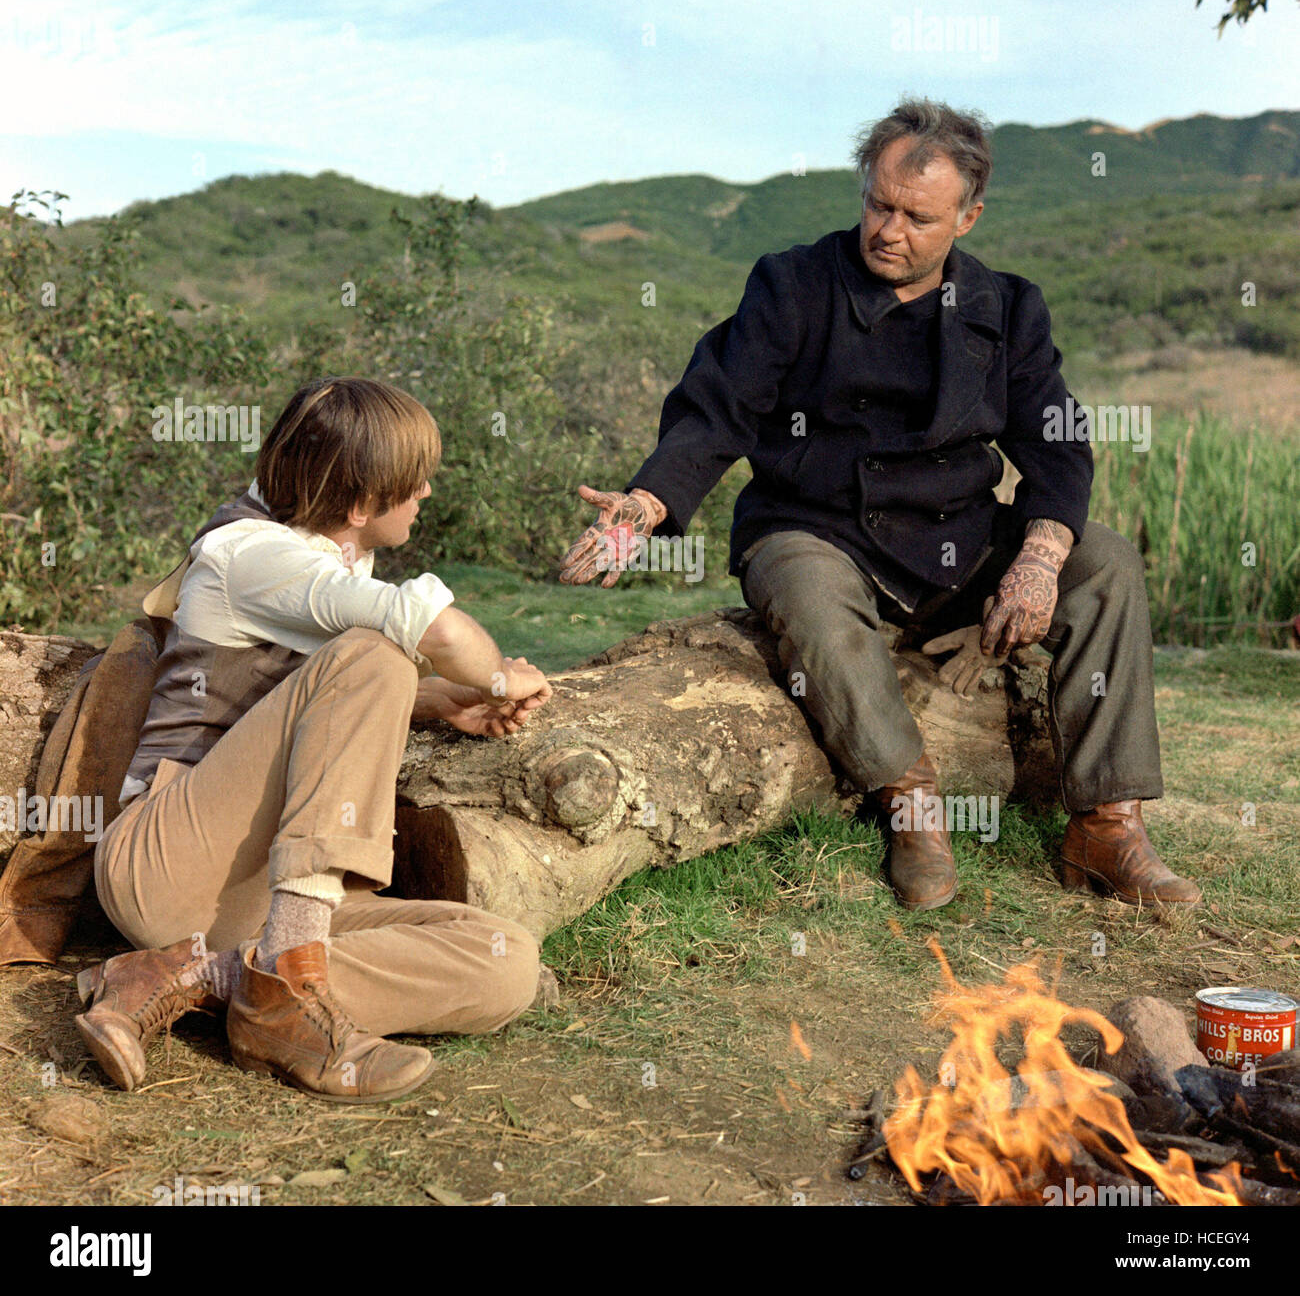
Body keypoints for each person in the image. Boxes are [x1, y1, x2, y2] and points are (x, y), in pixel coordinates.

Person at [558, 97, 1199, 913]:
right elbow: (717, 406)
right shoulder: (792, 285)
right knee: (810, 592)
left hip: (956, 540)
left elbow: (1058, 442)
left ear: (967, 218)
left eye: (915, 216)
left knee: (1103, 560)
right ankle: (913, 807)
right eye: (877, 204)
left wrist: (1038, 558)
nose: (887, 230)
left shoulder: (1008, 311)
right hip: (816, 529)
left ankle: (1107, 826)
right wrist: (647, 504)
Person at [76, 377, 552, 1101]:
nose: (426, 489)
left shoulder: (332, 555)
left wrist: (439, 703)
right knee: (380, 650)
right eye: (411, 480)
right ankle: (286, 980)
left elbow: (300, 708)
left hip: (264, 892)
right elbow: (435, 630)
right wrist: (495, 679)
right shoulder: (253, 555)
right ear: (360, 504)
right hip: (169, 862)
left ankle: (207, 977)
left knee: (509, 960)